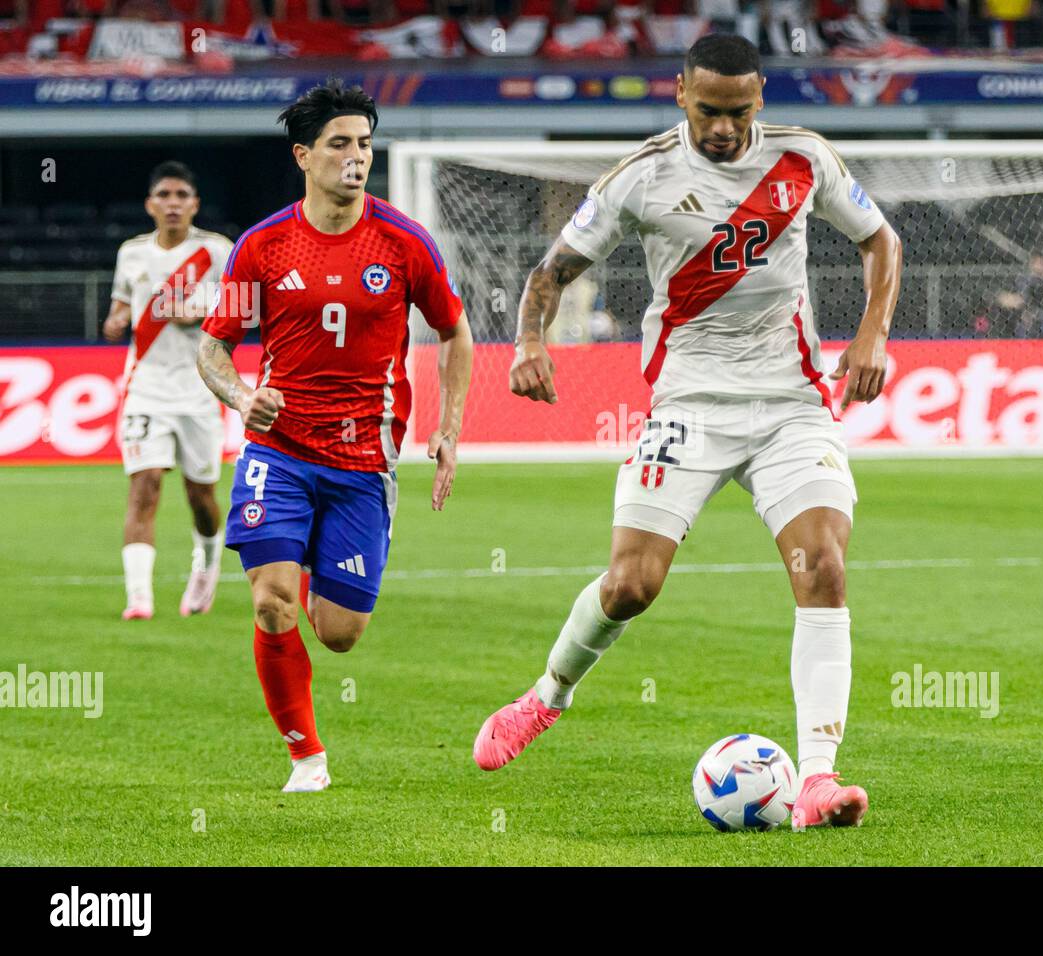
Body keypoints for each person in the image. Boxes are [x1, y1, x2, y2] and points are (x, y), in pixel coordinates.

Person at [474, 33, 902, 830]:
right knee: (631, 585)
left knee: (825, 569)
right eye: (708, 111)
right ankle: (547, 696)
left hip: (790, 406)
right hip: (688, 407)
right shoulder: (641, 175)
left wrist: (873, 333)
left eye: (738, 112)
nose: (723, 129)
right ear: (680, 95)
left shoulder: (805, 160)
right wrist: (530, 344)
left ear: (760, 101)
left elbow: (881, 239)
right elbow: (550, 273)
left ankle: (817, 781)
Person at [196, 79, 473, 791]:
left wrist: (449, 428)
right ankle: (306, 759)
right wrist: (238, 394)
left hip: (363, 458)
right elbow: (214, 346)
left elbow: (454, 332)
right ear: (304, 156)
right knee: (270, 600)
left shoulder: (404, 241)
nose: (357, 158)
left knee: (340, 635)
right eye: (341, 145)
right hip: (279, 450)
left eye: (366, 145)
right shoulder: (261, 247)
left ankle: (314, 553)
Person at [104, 161, 232, 621]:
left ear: (194, 204)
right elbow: (121, 303)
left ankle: (207, 563)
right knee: (146, 485)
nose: (173, 203)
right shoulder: (132, 253)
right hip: (146, 386)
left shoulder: (217, 252)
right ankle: (139, 598)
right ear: (150, 204)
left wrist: (197, 313)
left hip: (201, 387)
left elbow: (242, 310)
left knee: (201, 496)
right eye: (164, 195)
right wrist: (117, 319)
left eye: (182, 195)